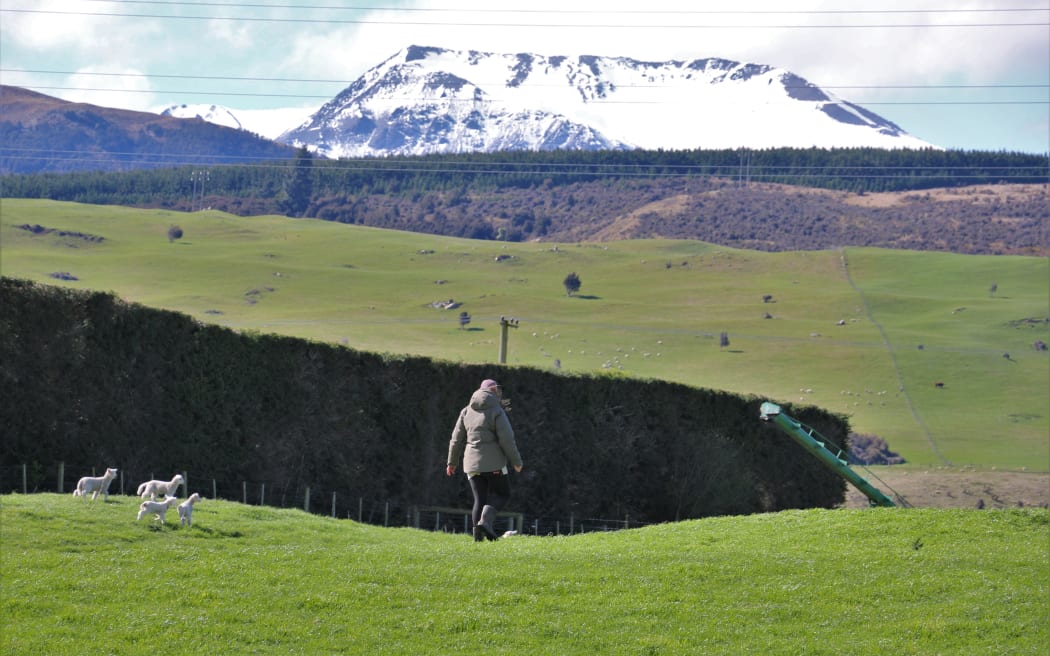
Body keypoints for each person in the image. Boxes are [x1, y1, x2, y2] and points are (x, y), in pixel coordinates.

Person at [447, 379, 523, 541]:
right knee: (503, 493)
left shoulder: (466, 411)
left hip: (471, 464)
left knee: (479, 499)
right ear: (493, 390)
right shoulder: (497, 411)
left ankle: (477, 539)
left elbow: (456, 440)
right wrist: (516, 461)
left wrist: (451, 463)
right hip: (494, 463)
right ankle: (486, 522)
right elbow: (507, 440)